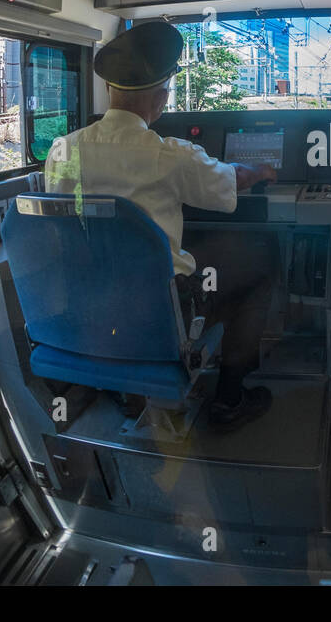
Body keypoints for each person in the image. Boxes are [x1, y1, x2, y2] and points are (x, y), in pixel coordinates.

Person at [44, 23, 279, 433]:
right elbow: (229, 179)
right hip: (159, 310)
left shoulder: (62, 149)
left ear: (111, 91)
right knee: (260, 264)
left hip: (92, 306)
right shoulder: (168, 154)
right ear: (161, 94)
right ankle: (229, 400)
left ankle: (125, 381)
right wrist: (260, 169)